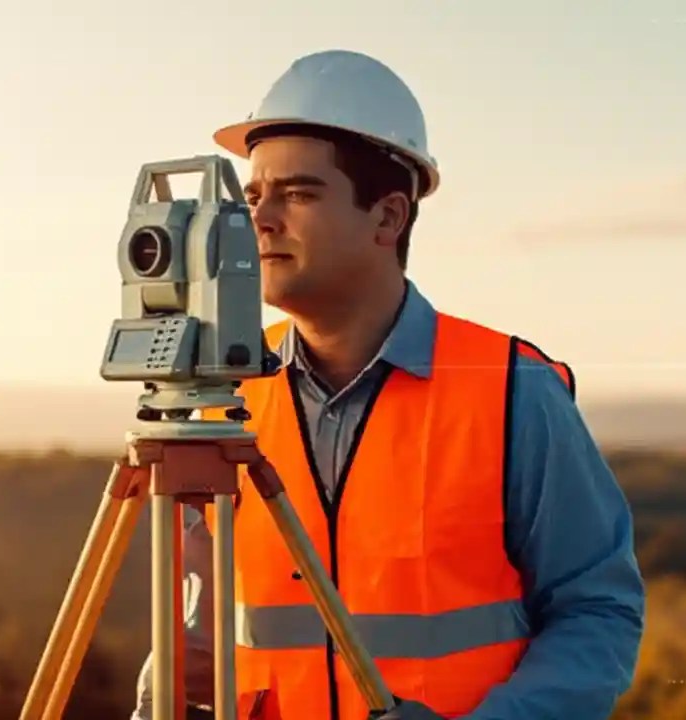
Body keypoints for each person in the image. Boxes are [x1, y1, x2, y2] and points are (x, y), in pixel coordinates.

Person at [132, 49, 645, 720]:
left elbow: (597, 614)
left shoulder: (510, 391)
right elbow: (197, 630)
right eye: (254, 196)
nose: (260, 220)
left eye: (299, 194)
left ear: (388, 218)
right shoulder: (225, 401)